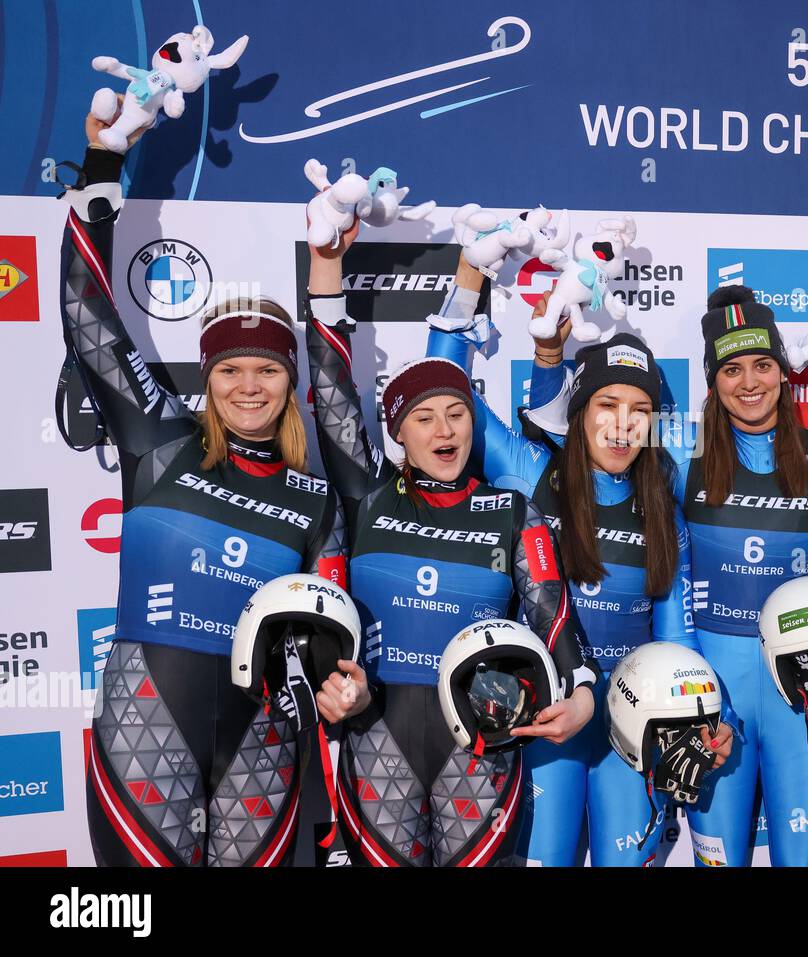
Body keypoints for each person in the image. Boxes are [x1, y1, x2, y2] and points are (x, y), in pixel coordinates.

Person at [66, 103, 347, 866]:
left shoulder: (313, 501)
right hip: (146, 725)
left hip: (265, 739)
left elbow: (327, 642)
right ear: (208, 376)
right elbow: (87, 318)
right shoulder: (159, 442)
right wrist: (100, 169)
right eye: (229, 369)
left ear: (291, 383)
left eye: (268, 370)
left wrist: (340, 688)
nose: (249, 387)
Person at [570, 284, 808, 867]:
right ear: (711, 380)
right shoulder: (680, 455)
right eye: (731, 369)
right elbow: (671, 591)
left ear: (782, 371)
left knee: (802, 861)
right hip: (711, 693)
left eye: (763, 364)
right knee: (717, 862)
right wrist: (696, 699)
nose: (749, 382)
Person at [303, 219, 598, 867]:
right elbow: (328, 387)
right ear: (398, 433)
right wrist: (326, 263)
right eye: (424, 417)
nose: (444, 429)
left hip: (482, 748)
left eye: (458, 413)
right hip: (378, 738)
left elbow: (555, 620)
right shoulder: (369, 496)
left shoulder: (509, 511)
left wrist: (580, 694)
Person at [423, 273, 735, 866]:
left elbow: (676, 633)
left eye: (638, 410)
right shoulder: (531, 469)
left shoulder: (664, 500)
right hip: (544, 721)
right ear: (580, 410)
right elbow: (442, 383)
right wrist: (467, 280)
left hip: (636, 724)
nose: (622, 424)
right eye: (608, 405)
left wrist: (702, 715)